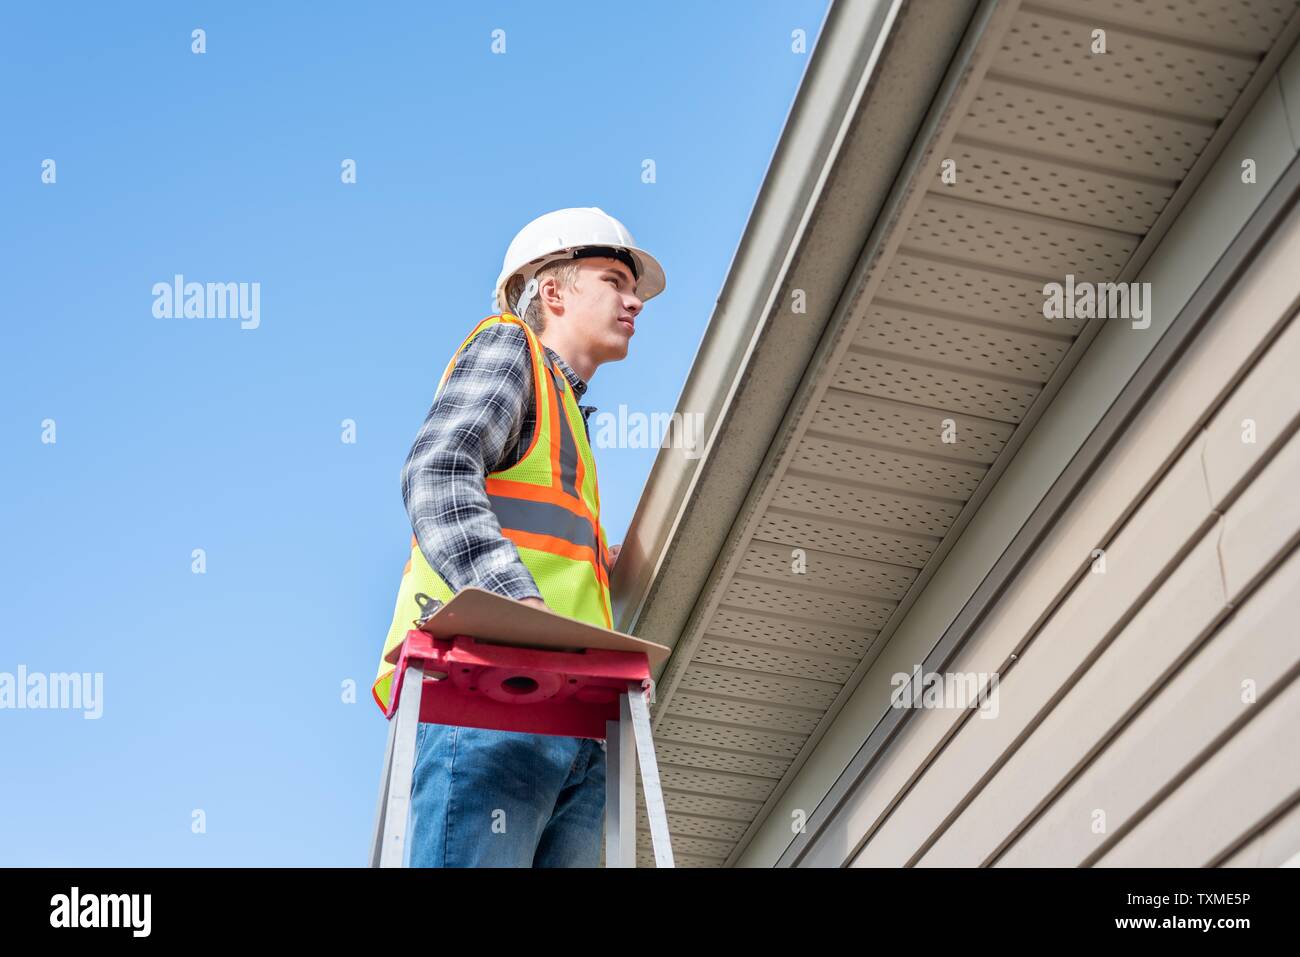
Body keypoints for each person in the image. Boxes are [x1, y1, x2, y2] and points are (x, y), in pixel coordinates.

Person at [371, 207, 666, 866]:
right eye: (616, 278)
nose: (634, 299)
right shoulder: (510, 347)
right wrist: (518, 609)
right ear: (552, 291)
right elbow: (438, 472)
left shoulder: (573, 428)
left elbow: (546, 537)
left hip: (574, 719)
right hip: (489, 693)